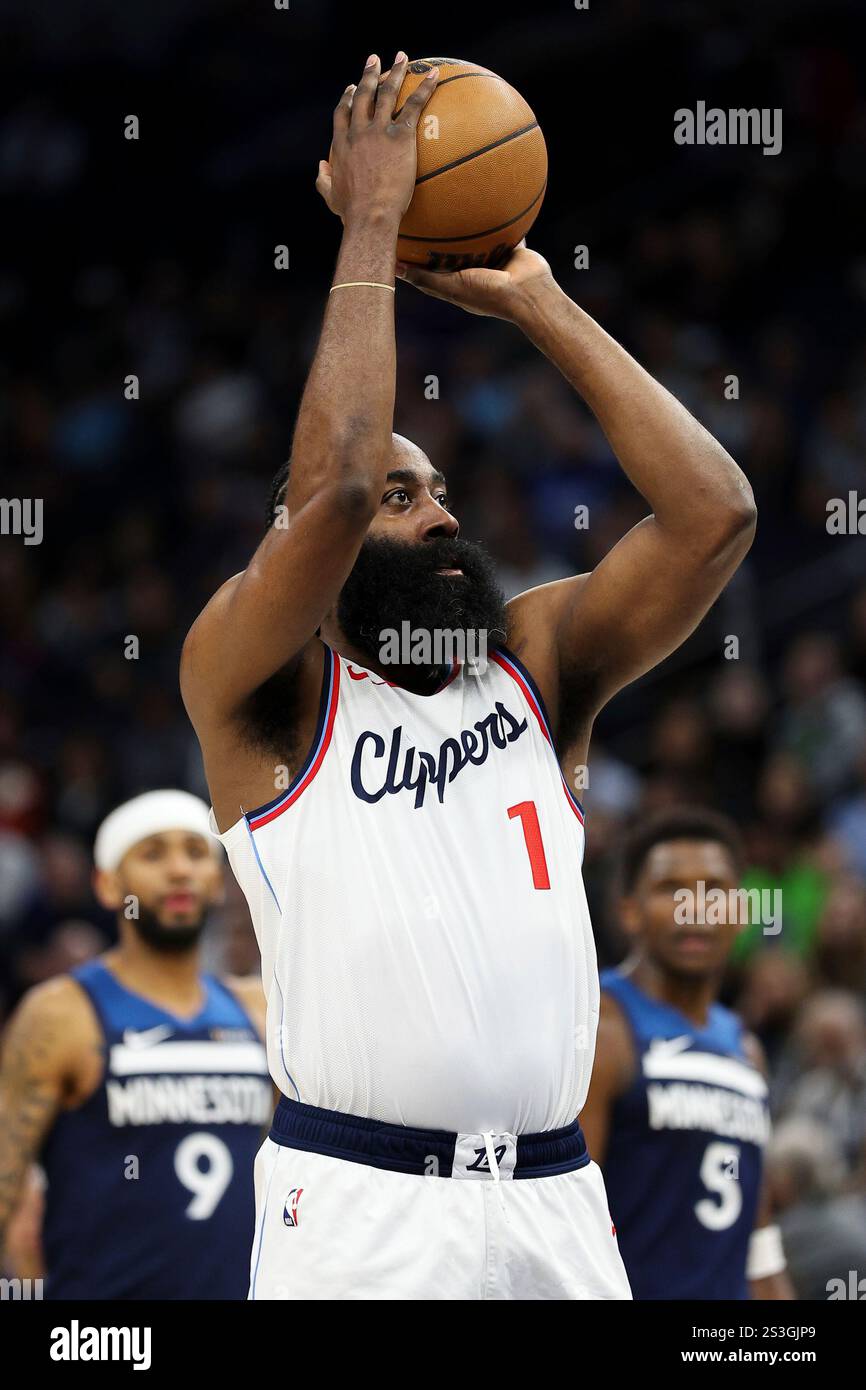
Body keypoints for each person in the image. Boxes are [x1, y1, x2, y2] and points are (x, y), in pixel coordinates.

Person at [180, 51, 756, 1300]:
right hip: (360, 1208)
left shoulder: (533, 665)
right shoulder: (260, 684)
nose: (440, 516)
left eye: (440, 488)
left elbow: (713, 513)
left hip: (555, 1199)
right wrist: (376, 222)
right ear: (309, 557)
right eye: (403, 497)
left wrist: (539, 304)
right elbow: (329, 484)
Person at [0, 790, 271, 1299]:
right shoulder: (61, 1013)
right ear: (107, 886)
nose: (178, 870)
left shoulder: (257, 1010)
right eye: (153, 854)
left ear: (217, 881)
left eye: (195, 852)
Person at [581, 808, 793, 1299]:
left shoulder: (747, 1050)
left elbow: (756, 1236)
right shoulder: (600, 1030)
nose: (694, 906)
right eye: (671, 888)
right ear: (629, 910)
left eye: (713, 889)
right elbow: (563, 1220)